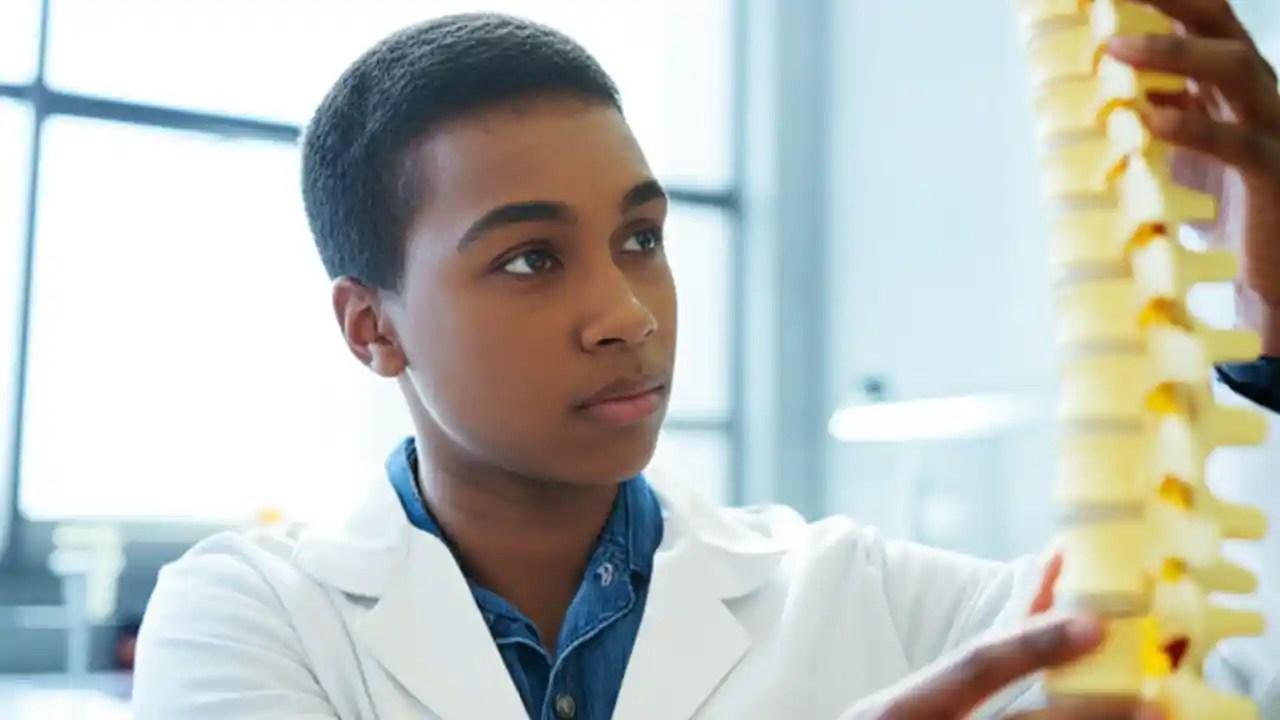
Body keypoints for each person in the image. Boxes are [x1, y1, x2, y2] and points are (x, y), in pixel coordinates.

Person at [133, 3, 1280, 718]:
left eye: (640, 238)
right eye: (531, 260)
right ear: (369, 326)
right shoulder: (248, 618)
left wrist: (1268, 307)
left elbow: (1229, 683)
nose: (627, 313)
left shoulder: (863, 596)